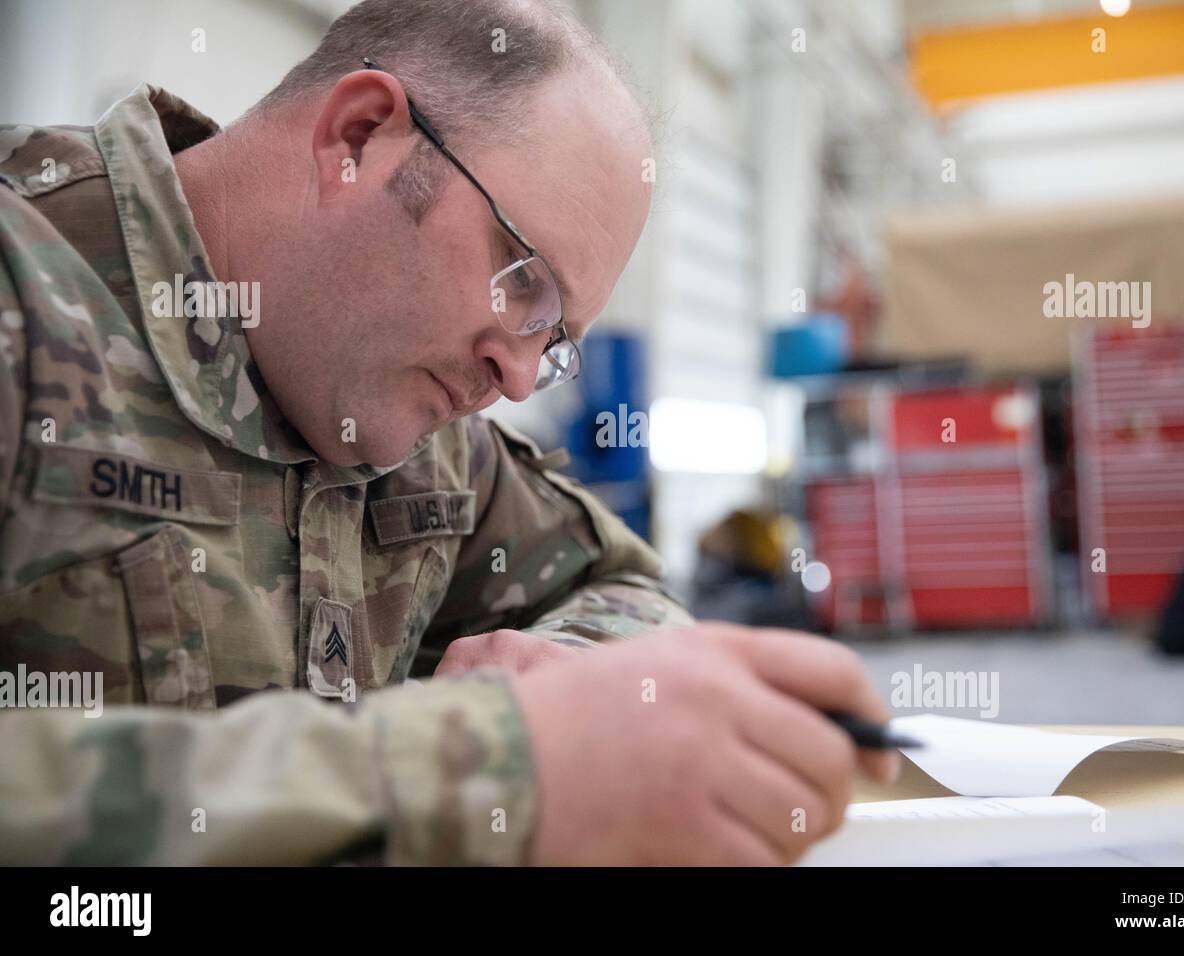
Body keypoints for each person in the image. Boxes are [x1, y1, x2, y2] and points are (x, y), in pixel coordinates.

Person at [0, 0, 898, 865]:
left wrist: (565, 680)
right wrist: (484, 765)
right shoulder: (28, 306)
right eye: (522, 282)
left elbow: (619, 580)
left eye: (555, 342)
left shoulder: (412, 424)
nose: (513, 378)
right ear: (357, 139)